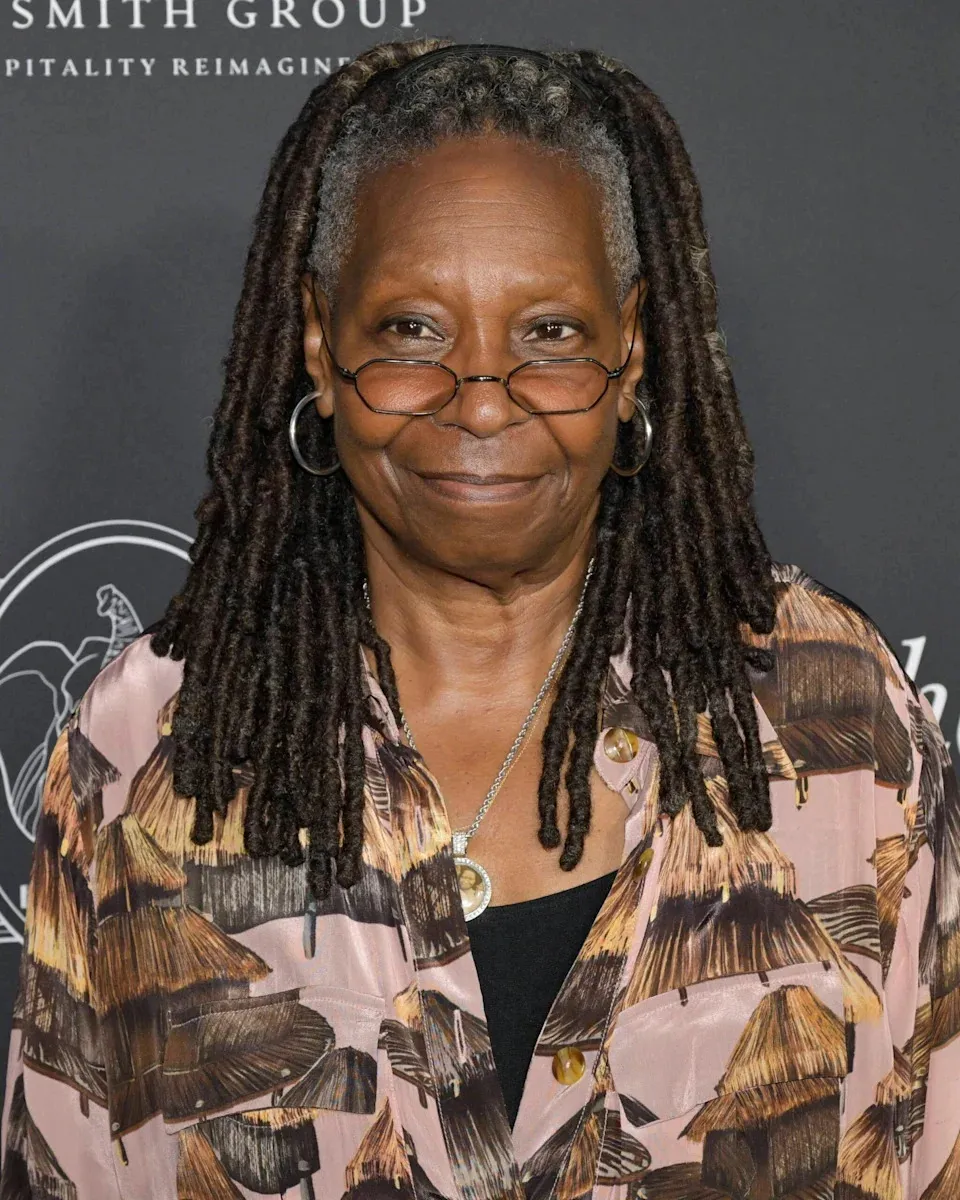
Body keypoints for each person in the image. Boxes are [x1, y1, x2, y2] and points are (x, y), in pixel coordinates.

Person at [2, 37, 958, 1200]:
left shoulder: (830, 713)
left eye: (549, 333)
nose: (483, 401)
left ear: (635, 341)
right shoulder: (157, 746)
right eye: (413, 331)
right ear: (318, 337)